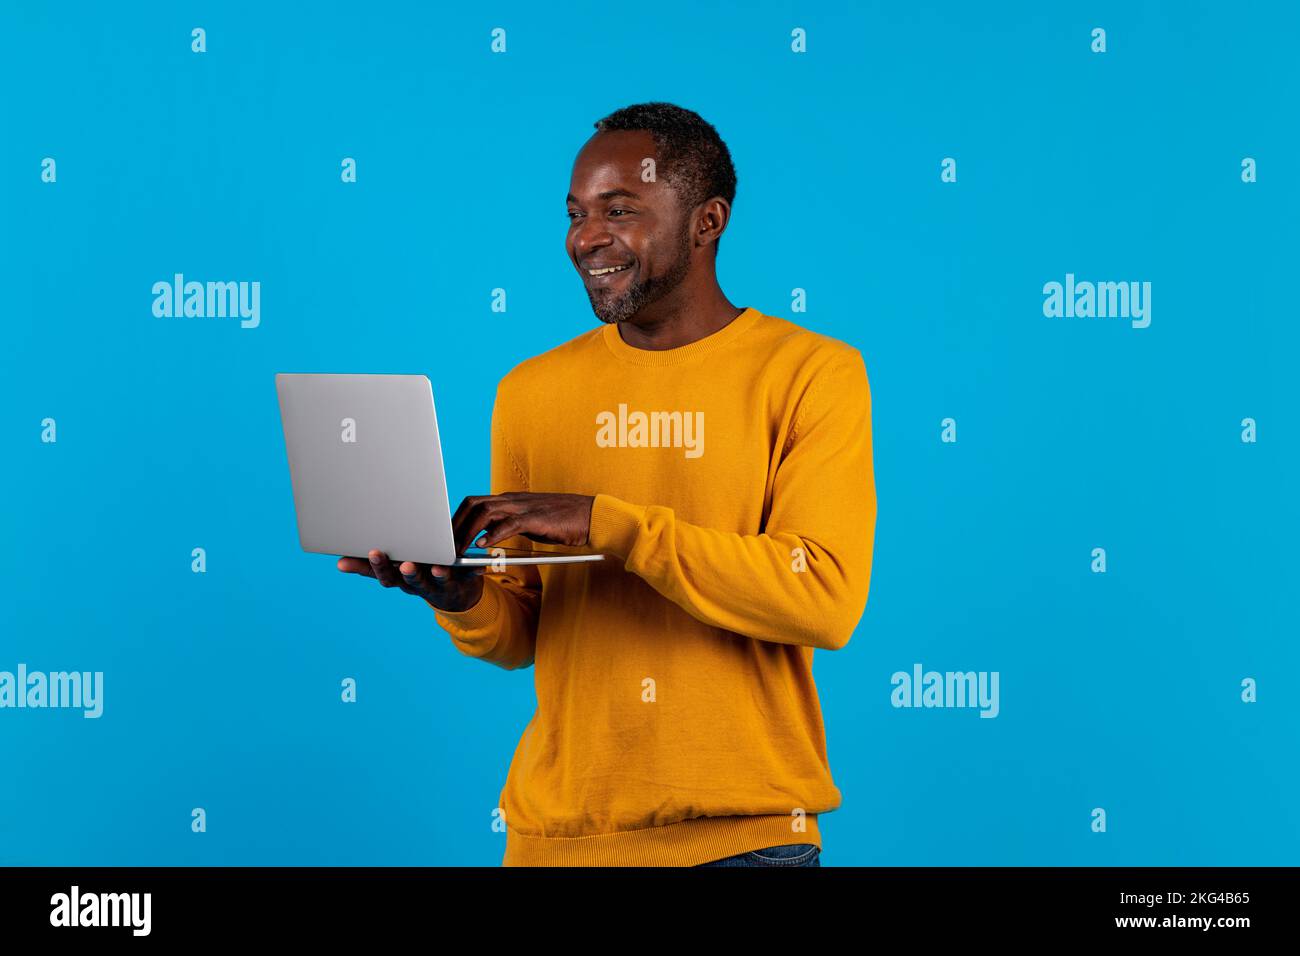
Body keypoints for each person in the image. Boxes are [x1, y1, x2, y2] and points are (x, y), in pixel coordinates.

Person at [338, 102, 876, 867]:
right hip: (552, 840)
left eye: (618, 211)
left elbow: (823, 596)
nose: (587, 238)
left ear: (707, 220)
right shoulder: (531, 390)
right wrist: (460, 599)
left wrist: (608, 523)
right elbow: (524, 632)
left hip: (738, 842)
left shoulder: (811, 374)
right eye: (576, 214)